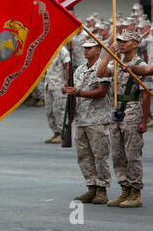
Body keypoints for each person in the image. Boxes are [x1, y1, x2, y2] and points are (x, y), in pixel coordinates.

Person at [97, 29, 150, 208]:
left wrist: (144, 120)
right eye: (120, 41)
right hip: (116, 111)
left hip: (132, 111)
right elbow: (100, 73)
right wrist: (108, 54)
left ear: (135, 44)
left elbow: (146, 95)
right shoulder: (117, 62)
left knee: (132, 154)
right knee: (118, 154)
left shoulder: (140, 64)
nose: (121, 43)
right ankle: (124, 189)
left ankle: (136, 192)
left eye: (125, 41)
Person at [63, 40, 112, 204]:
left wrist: (79, 93)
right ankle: (91, 187)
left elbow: (102, 92)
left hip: (97, 119)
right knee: (84, 156)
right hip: (81, 119)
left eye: (89, 48)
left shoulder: (103, 68)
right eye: (84, 48)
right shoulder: (80, 70)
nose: (85, 51)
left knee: (100, 155)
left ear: (98, 50)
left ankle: (102, 189)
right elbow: (74, 93)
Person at [44, 46, 70, 143]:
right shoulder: (48, 50)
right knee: (49, 110)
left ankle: (61, 132)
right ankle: (55, 132)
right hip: (48, 84)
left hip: (59, 84)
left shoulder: (63, 51)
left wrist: (67, 83)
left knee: (58, 110)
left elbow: (68, 67)